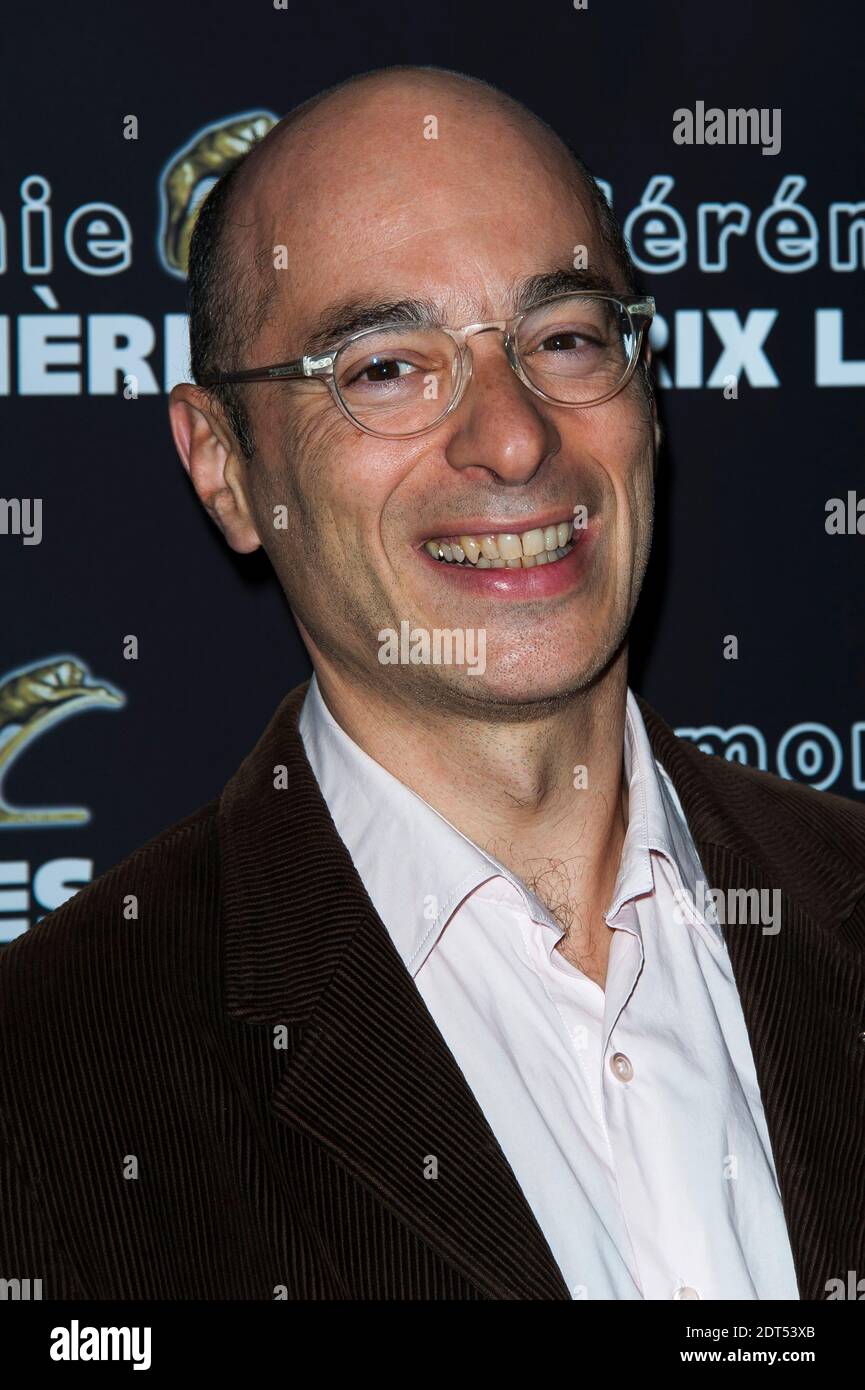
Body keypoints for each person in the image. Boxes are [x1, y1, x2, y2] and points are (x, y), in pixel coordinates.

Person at [2, 66, 864, 1302]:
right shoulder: (48, 1095)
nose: (512, 436)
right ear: (223, 466)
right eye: (386, 366)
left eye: (564, 338)